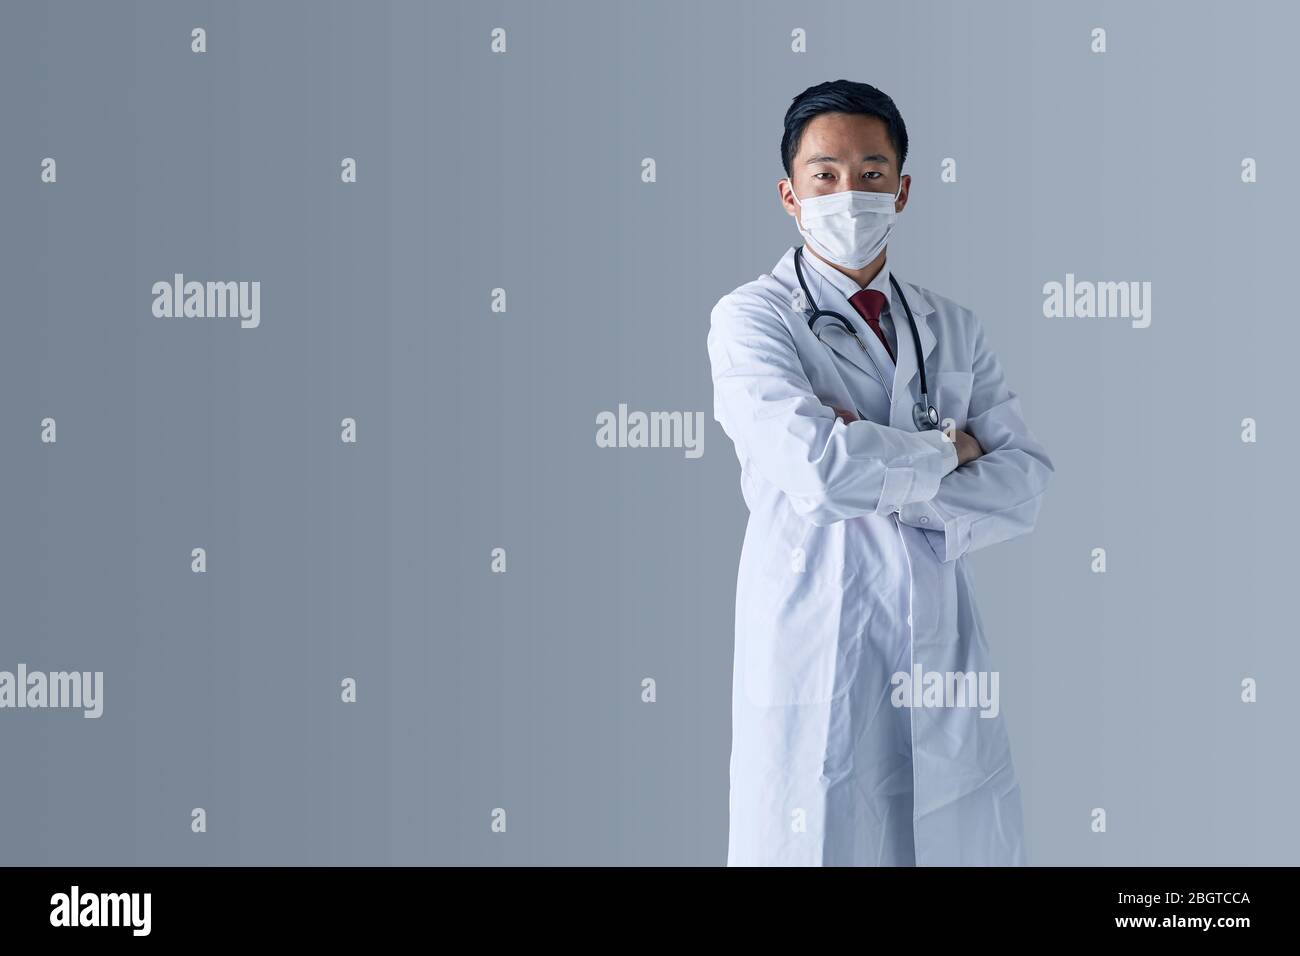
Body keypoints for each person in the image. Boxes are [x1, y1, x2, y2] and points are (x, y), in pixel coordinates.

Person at [707, 79, 1054, 866]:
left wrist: (879, 466)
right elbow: (820, 473)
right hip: (815, 639)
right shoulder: (752, 320)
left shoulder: (953, 327)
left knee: (951, 833)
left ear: (901, 189)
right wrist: (949, 451)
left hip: (941, 648)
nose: (848, 191)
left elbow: (1026, 483)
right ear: (788, 193)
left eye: (871, 172)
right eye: (824, 173)